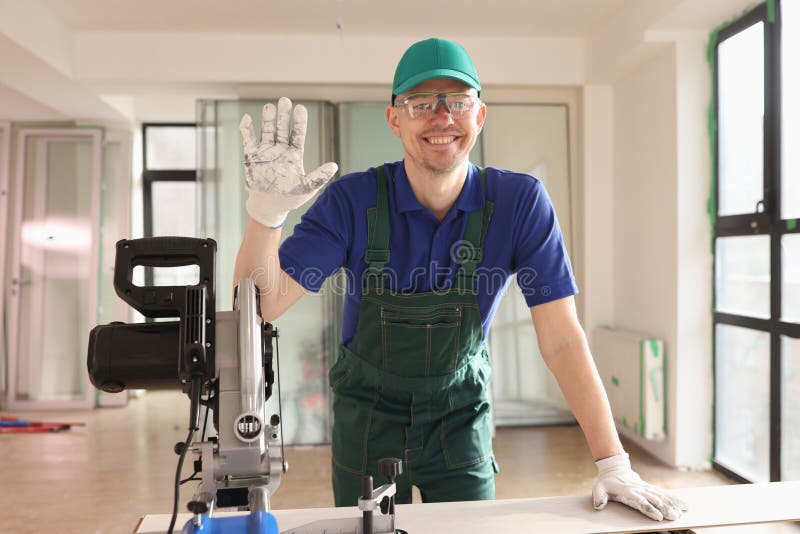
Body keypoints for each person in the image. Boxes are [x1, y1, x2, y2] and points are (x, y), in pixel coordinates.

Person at [234, 37, 686, 521]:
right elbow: (259, 305)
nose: (442, 117)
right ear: (395, 119)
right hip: (367, 416)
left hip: (460, 413)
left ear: (480, 116)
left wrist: (613, 463)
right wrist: (267, 216)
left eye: (458, 102)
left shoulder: (520, 204)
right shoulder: (352, 202)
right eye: (421, 103)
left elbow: (562, 340)